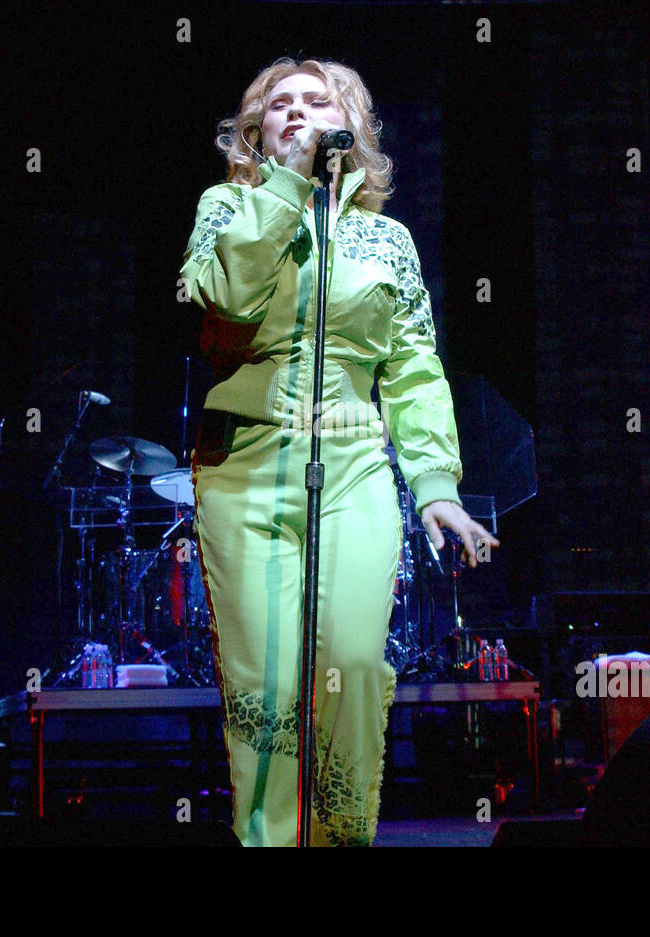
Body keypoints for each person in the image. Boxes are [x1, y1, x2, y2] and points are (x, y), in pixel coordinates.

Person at [179, 57, 498, 846]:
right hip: (244, 471)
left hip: (355, 470)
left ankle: (341, 840)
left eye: (315, 101)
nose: (295, 113)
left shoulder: (387, 240)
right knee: (266, 689)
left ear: (348, 123)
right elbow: (227, 297)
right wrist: (284, 188)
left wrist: (434, 484)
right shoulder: (227, 207)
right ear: (256, 133)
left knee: (354, 666)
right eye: (277, 106)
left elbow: (416, 366)